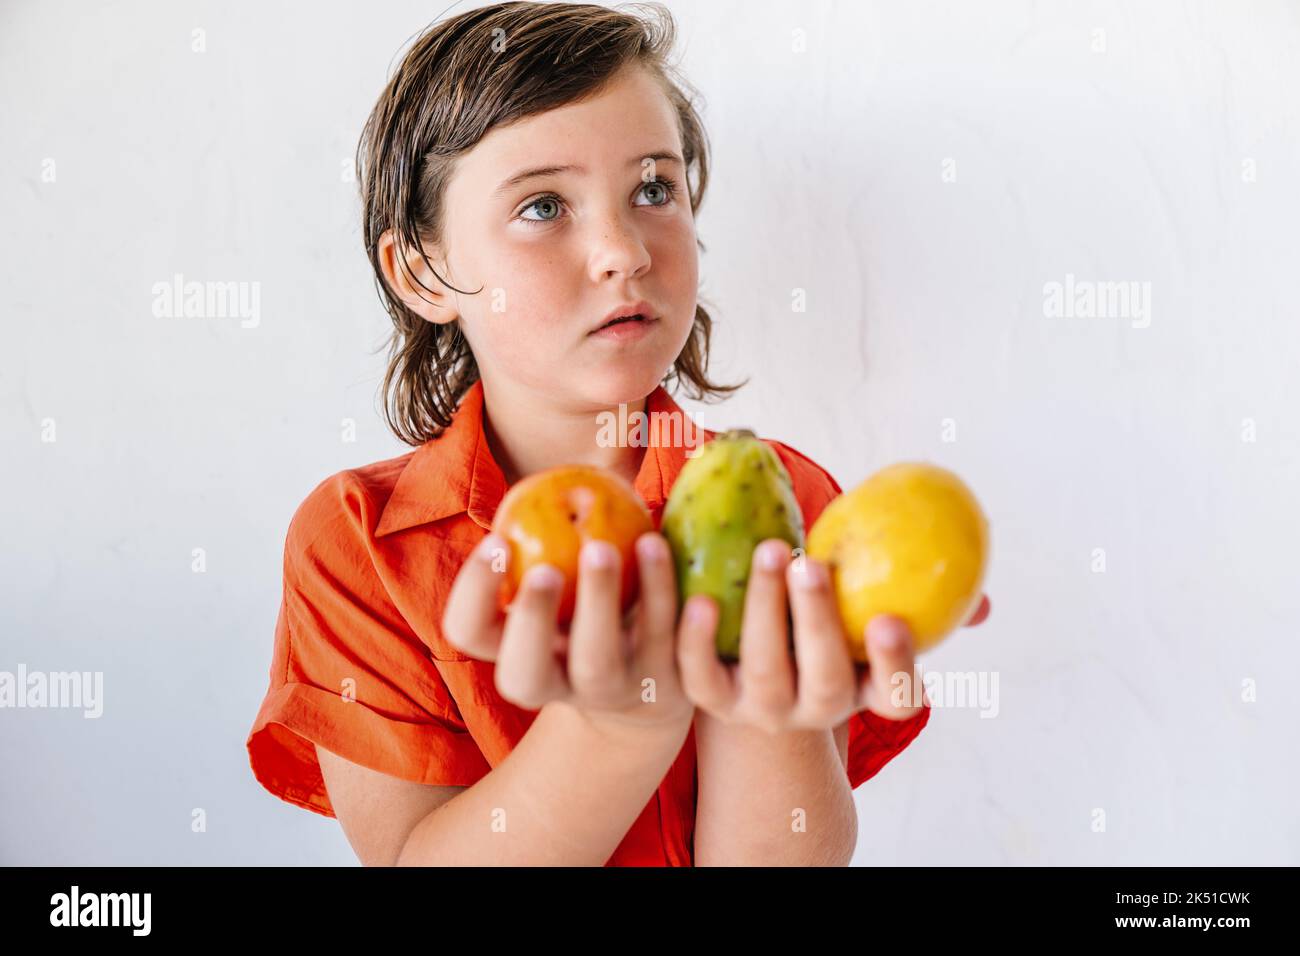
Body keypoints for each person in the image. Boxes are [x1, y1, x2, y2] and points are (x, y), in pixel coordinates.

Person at [245, 1, 990, 866]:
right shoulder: (357, 546)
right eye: (543, 206)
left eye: (653, 189)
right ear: (423, 270)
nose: (622, 251)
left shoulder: (794, 506)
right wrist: (615, 731)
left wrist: (769, 705)